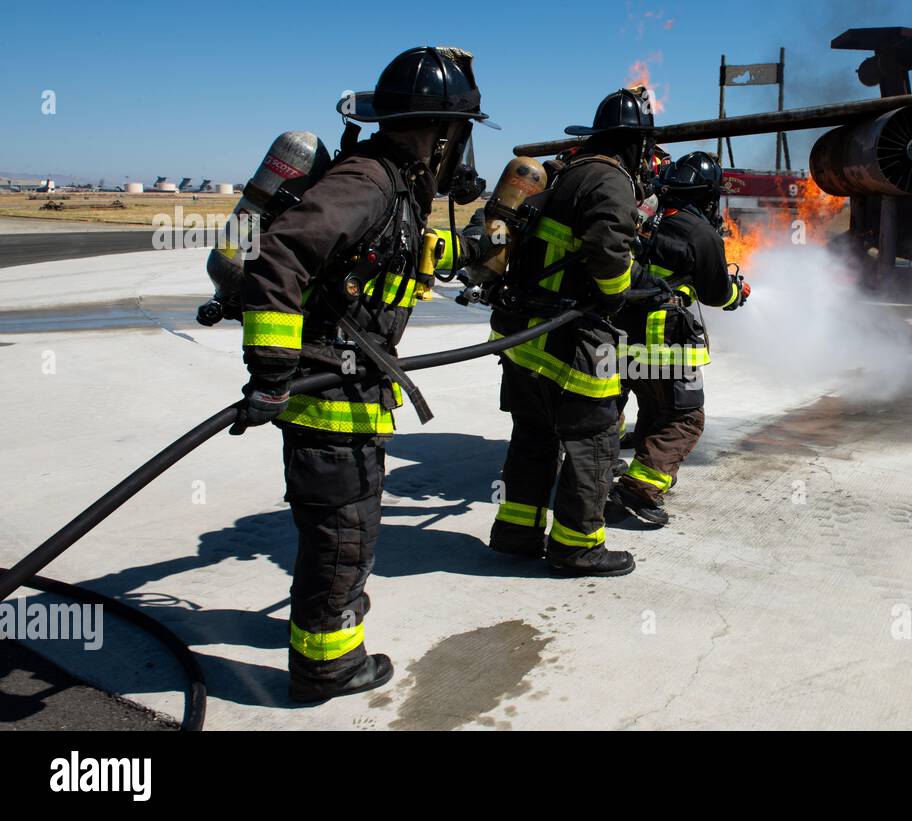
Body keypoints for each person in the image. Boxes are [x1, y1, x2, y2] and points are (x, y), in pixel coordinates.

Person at [231, 46, 492, 702]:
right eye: (457, 133)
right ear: (437, 131)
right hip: (327, 392)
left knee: (342, 530)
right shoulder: (372, 181)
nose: (459, 149)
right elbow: (280, 254)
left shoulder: (395, 185)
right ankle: (326, 663)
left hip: (351, 387)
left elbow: (396, 256)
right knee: (343, 533)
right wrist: (270, 370)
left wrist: (472, 248)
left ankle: (328, 624)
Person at [486, 87, 657, 577]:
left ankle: (517, 533)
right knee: (595, 438)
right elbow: (607, 253)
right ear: (636, 143)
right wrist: (620, 292)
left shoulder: (568, 173)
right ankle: (577, 546)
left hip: (525, 339)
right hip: (573, 341)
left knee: (533, 437)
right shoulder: (612, 181)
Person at [608, 151, 750, 526]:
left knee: (638, 407)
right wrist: (739, 292)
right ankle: (636, 492)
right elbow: (717, 293)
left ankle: (613, 475)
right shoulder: (701, 233)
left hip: (617, 335)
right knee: (685, 419)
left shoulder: (646, 216)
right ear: (707, 195)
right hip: (663, 341)